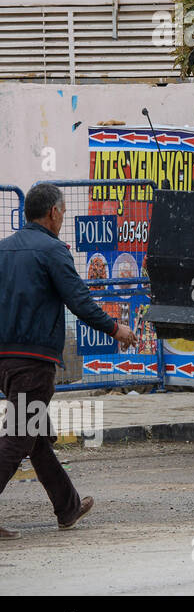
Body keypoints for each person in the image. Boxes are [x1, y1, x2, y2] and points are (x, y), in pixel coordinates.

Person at [0, 183, 137, 539]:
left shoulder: (4, 249)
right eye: (62, 212)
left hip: (5, 360)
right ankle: (67, 507)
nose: (62, 217)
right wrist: (114, 328)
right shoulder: (52, 250)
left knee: (36, 437)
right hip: (32, 361)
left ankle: (68, 507)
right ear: (54, 213)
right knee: (19, 436)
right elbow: (79, 299)